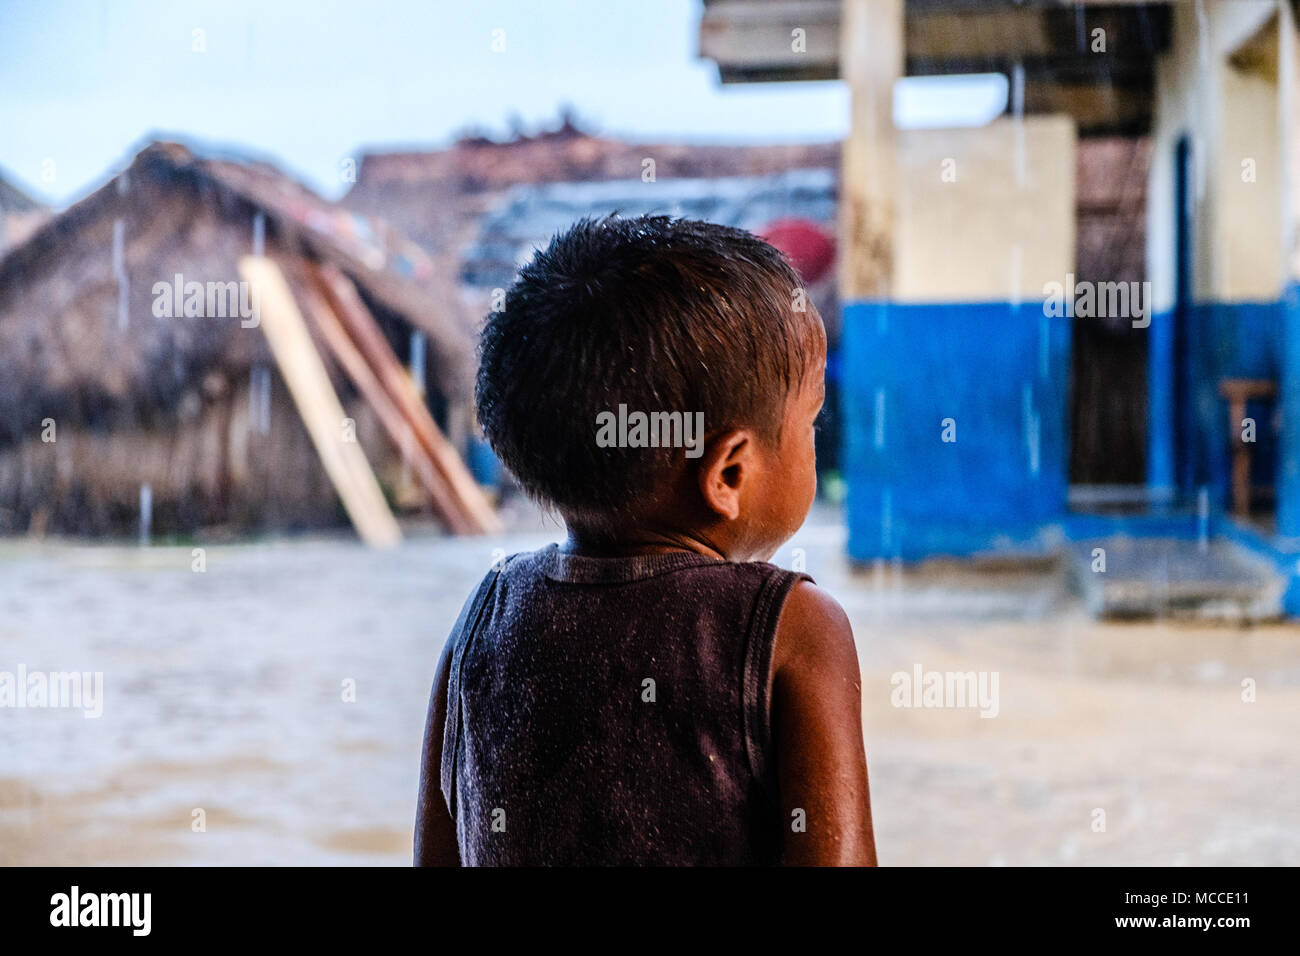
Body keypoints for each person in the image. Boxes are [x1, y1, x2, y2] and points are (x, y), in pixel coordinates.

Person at [415, 215, 876, 866]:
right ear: (731, 473)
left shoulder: (481, 620)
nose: (815, 438)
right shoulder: (794, 630)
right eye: (810, 421)